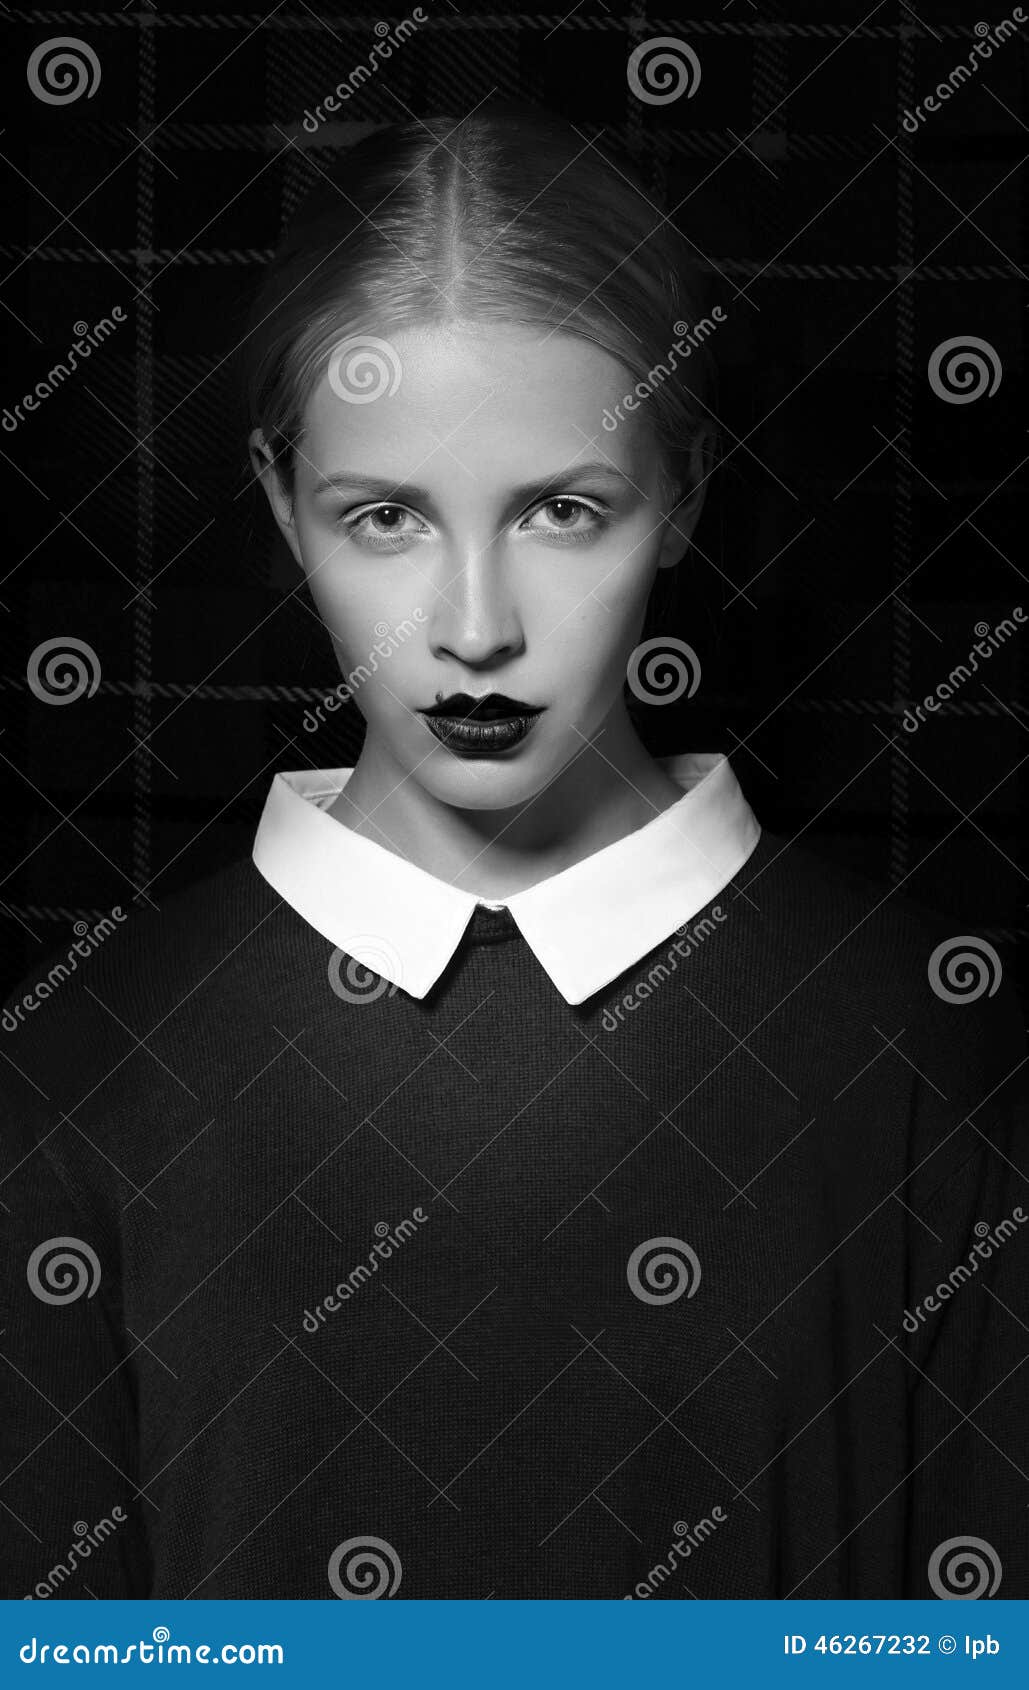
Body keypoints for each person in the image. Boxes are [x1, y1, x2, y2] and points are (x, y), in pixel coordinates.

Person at [1, 105, 1025, 1602]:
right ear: (285, 505)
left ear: (679, 493)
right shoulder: (73, 1072)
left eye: (562, 509)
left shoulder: (936, 1049)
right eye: (386, 519)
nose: (474, 627)